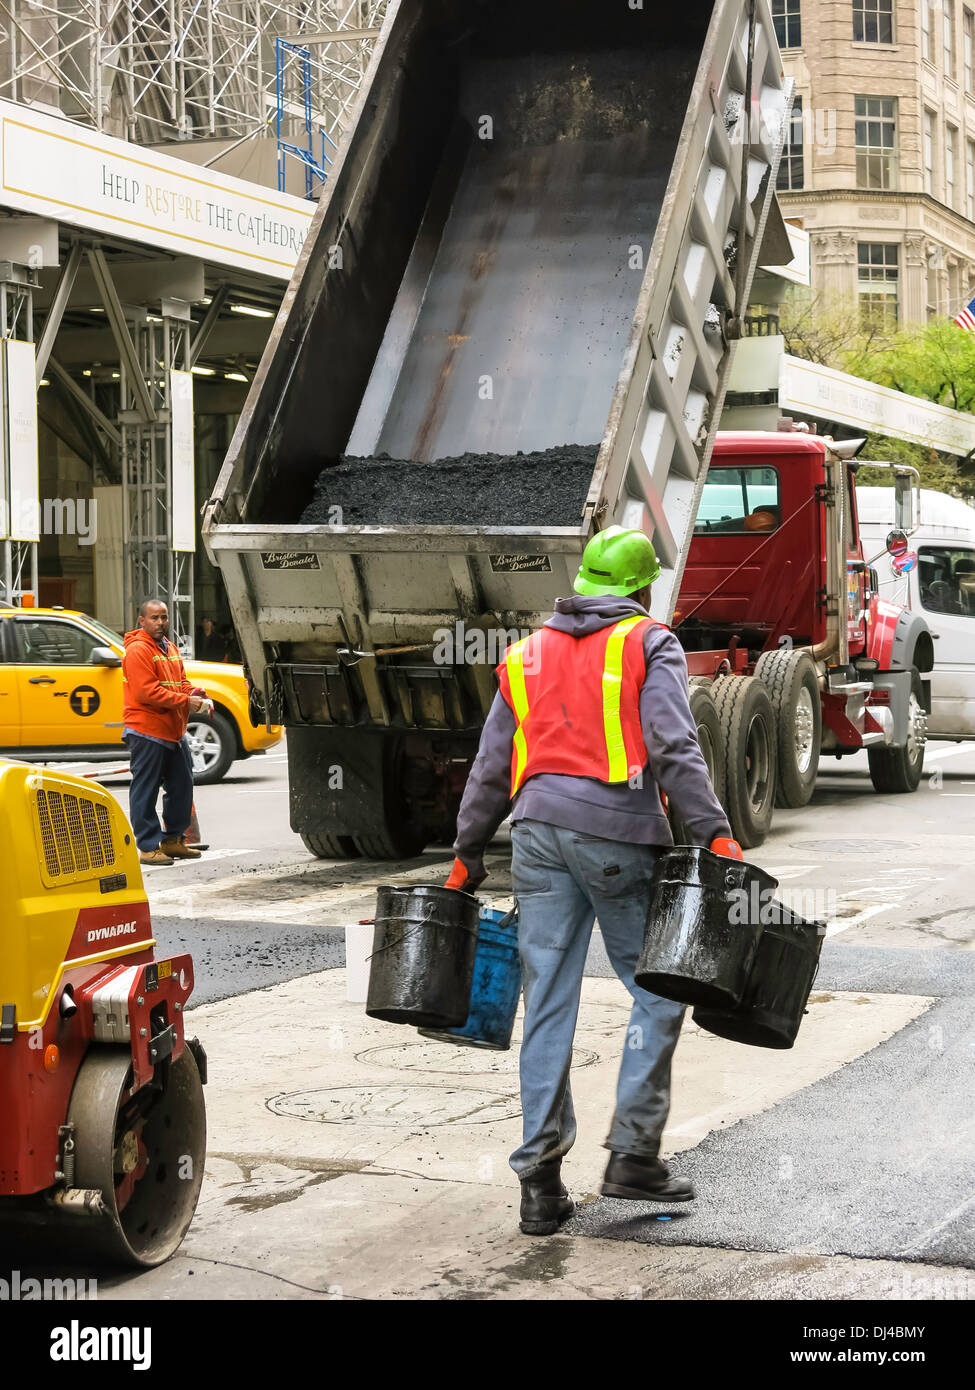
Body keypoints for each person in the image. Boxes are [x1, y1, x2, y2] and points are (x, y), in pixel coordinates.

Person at [445, 526, 742, 1236]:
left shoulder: (524, 654)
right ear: (641, 589)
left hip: (537, 838)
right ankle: (632, 1154)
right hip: (616, 837)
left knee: (546, 1001)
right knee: (658, 991)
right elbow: (673, 745)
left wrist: (466, 852)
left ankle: (540, 1185)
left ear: (582, 582)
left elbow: (490, 766)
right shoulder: (648, 641)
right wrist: (714, 832)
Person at [123, 599, 210, 867]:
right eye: (154, 618)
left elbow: (180, 682)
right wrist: (186, 702)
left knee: (182, 785)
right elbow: (146, 692)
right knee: (145, 789)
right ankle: (148, 847)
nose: (161, 622)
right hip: (147, 730)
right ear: (142, 621)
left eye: (164, 617)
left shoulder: (169, 648)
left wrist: (193, 693)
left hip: (173, 730)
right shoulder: (138, 650)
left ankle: (173, 840)